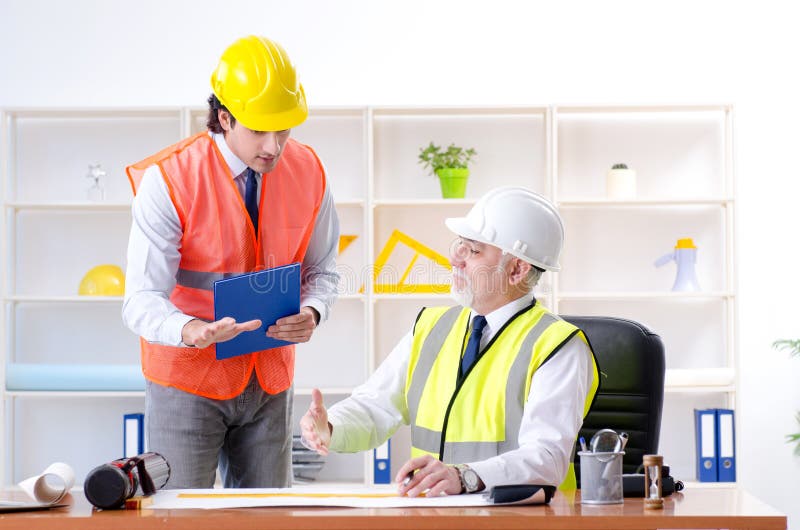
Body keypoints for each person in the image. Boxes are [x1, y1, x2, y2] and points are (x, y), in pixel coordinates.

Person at [122, 35, 340, 489]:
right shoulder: (170, 179)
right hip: (188, 381)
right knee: (180, 519)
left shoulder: (310, 171)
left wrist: (314, 311)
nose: (274, 146)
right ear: (224, 117)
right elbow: (140, 299)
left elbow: (322, 271)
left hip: (270, 381)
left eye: (283, 130)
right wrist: (190, 330)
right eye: (259, 130)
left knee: (267, 521)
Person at [301, 186, 598, 496]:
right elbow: (375, 407)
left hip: (523, 522)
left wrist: (465, 476)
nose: (456, 260)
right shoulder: (431, 327)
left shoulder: (558, 347)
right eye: (460, 246)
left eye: (473, 250)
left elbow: (546, 459)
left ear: (516, 269)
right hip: (437, 516)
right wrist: (330, 427)